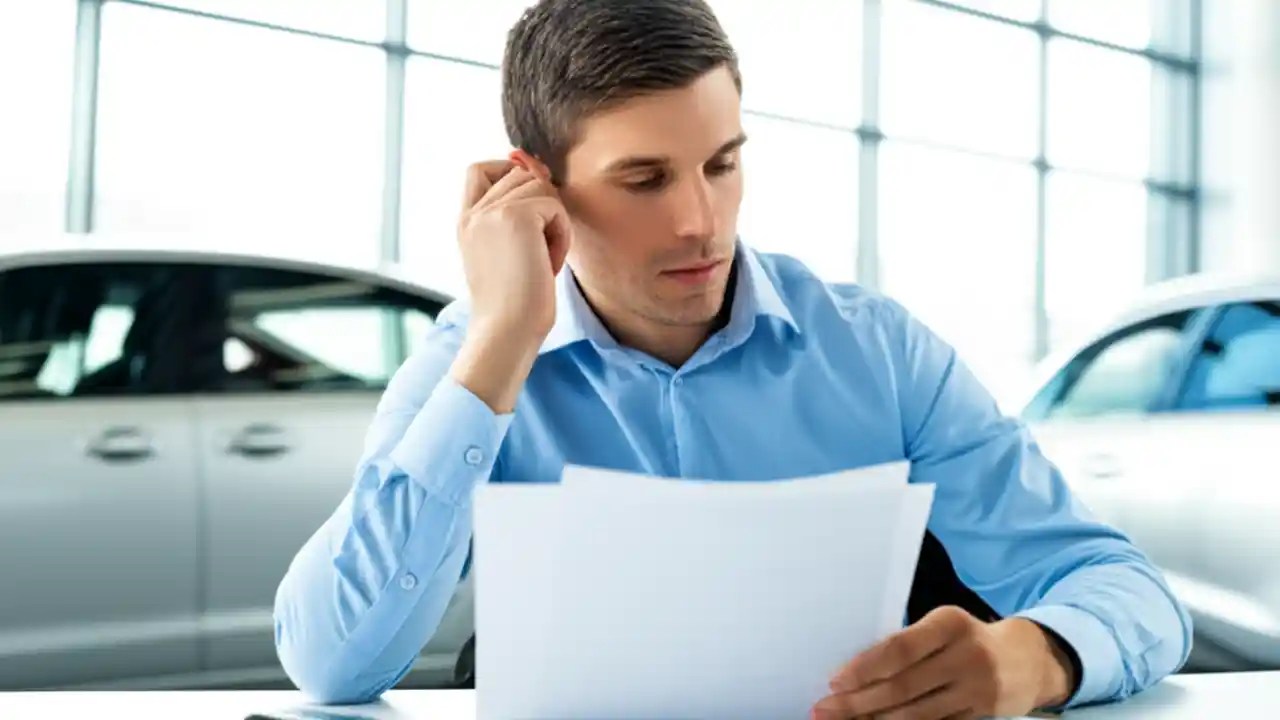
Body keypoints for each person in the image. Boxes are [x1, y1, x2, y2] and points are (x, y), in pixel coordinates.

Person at [273, 1, 1193, 717]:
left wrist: (1035, 658)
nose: (699, 222)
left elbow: (1128, 592)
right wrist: (506, 337)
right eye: (645, 180)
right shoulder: (473, 358)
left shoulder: (877, 352)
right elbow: (330, 662)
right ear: (536, 185)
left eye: (721, 165)